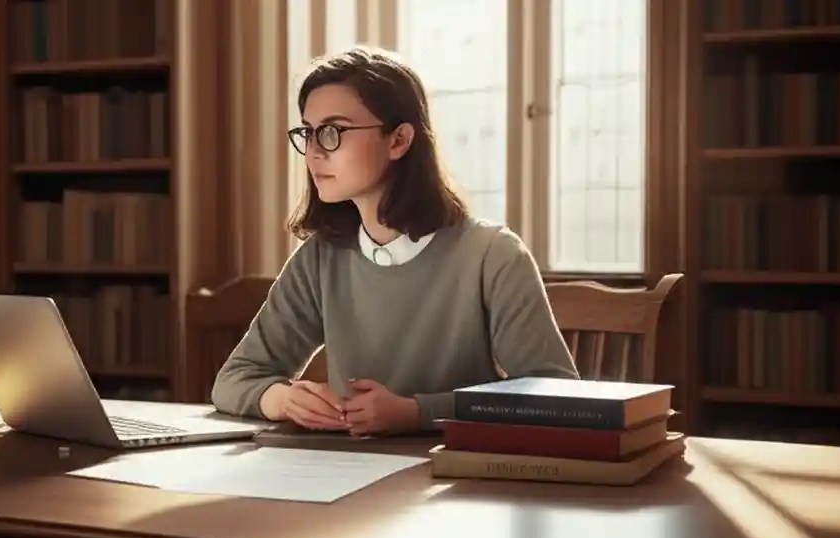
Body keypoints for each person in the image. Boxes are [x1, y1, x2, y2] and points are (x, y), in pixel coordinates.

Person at [210, 46, 578, 436]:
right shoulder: (319, 258)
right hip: (347, 476)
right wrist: (281, 399)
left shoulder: (493, 254)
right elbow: (234, 379)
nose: (314, 151)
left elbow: (553, 394)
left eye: (333, 131)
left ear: (399, 140)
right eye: (308, 132)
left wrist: (417, 412)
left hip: (460, 481)